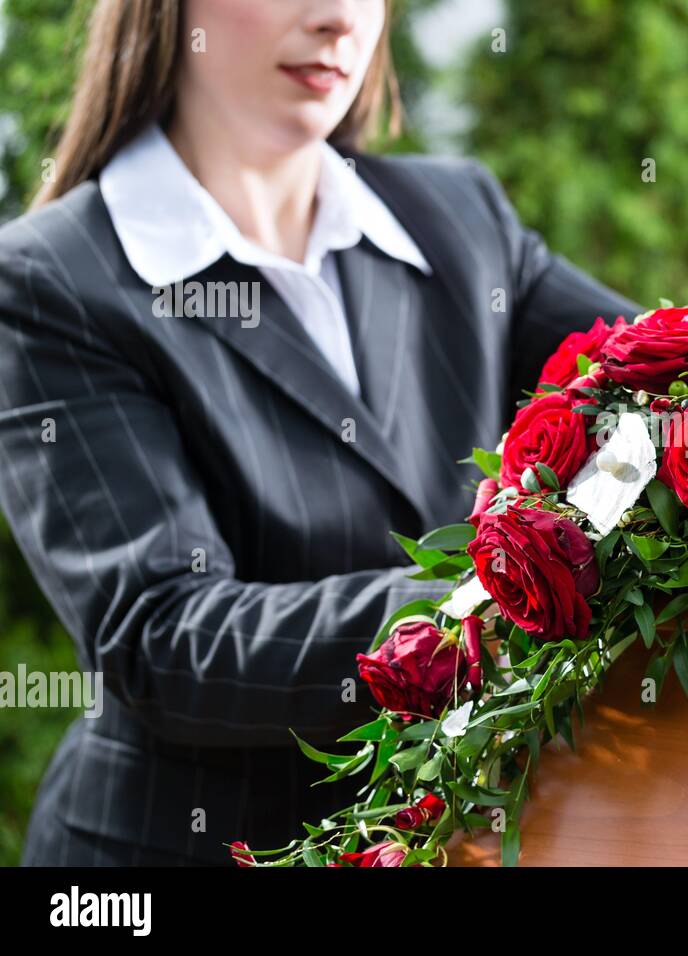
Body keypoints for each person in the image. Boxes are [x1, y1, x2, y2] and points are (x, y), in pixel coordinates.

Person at [0, 0, 637, 865]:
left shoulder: (459, 216)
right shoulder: (50, 282)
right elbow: (161, 637)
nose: (339, 18)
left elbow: (678, 383)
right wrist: (497, 593)